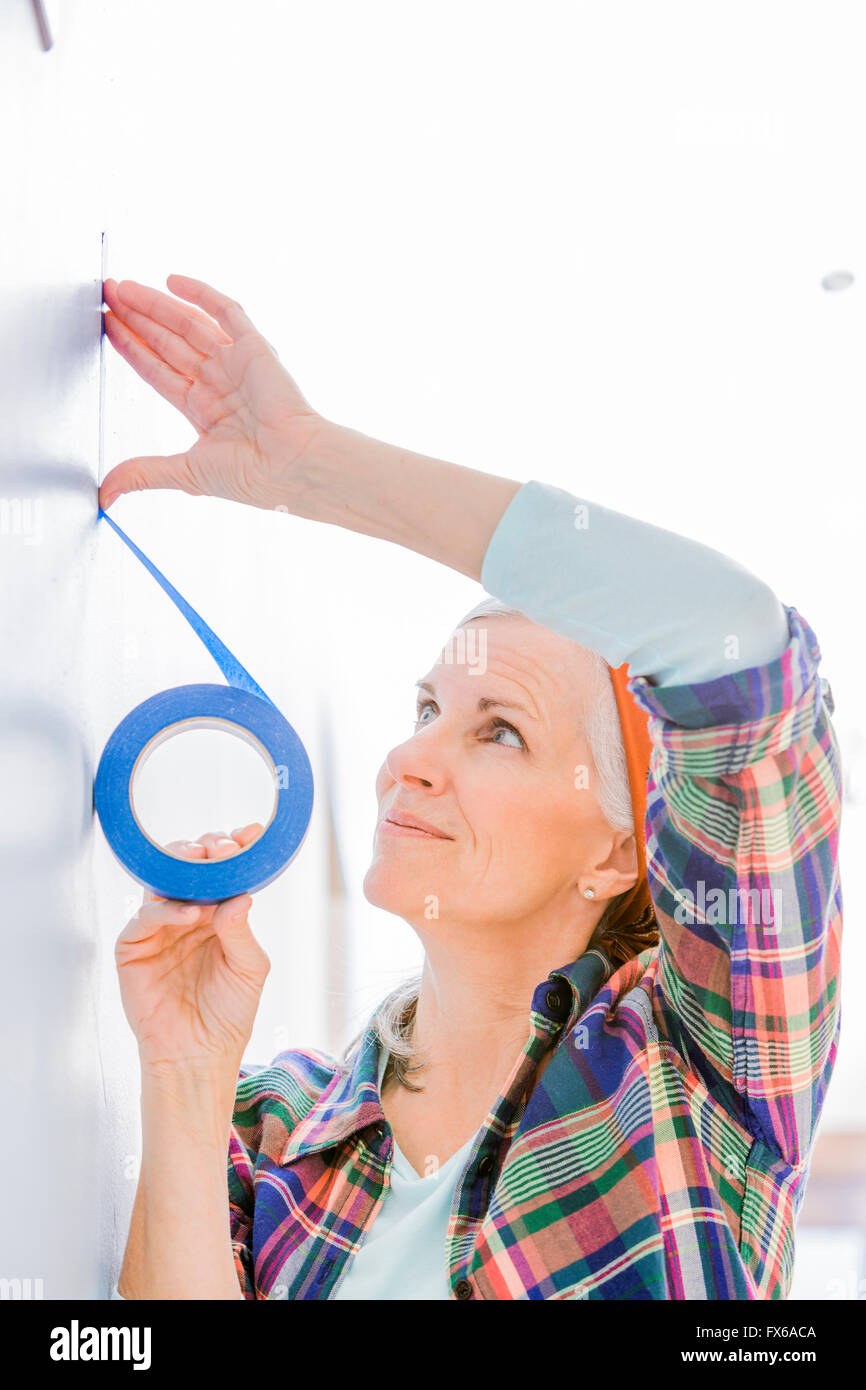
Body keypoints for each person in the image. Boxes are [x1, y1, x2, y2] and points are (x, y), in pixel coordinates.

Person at [102, 275, 842, 1301]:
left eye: (499, 730)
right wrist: (184, 1074)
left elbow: (732, 636)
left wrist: (312, 467)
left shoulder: (697, 1082)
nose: (409, 761)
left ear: (617, 850)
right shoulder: (270, 1125)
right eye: (424, 709)